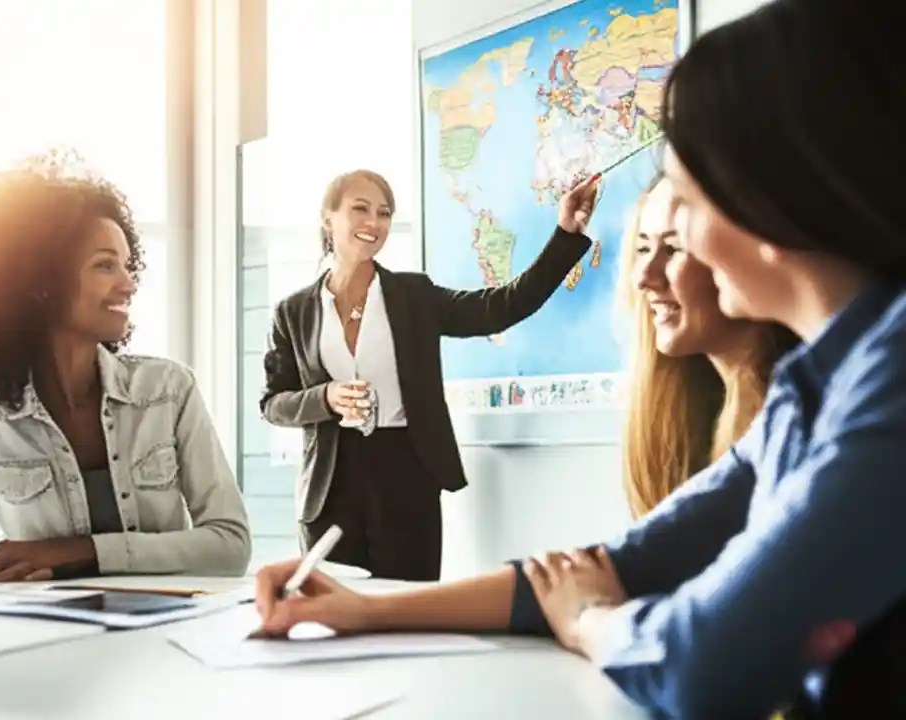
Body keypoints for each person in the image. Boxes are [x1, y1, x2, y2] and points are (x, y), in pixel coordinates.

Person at [255, 1, 906, 716]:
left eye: (686, 202)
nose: (656, 257)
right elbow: (622, 564)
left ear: (769, 197)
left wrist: (589, 620)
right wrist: (364, 610)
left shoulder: (887, 379)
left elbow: (696, 659)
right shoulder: (812, 391)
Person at [0, 150, 250, 583]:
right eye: (104, 265)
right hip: (47, 633)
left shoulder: (168, 390)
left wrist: (81, 552)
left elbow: (231, 545)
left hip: (167, 632)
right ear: (39, 282)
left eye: (127, 265)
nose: (128, 283)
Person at [261, 169, 590, 581]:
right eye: (359, 209)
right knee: (329, 621)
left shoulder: (413, 296)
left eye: (383, 213)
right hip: (330, 489)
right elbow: (273, 403)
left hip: (405, 478)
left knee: (409, 616)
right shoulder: (293, 312)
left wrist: (566, 235)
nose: (373, 222)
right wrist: (324, 398)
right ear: (328, 218)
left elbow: (502, 306)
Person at [619, 174, 795, 517]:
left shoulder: (791, 423)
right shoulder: (690, 410)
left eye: (673, 248)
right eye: (643, 248)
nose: (644, 277)